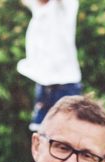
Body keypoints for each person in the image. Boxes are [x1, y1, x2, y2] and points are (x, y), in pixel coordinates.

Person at [18, 0, 83, 131]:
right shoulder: (39, 6)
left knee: (66, 133)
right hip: (44, 84)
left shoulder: (66, 5)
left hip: (66, 84)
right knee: (41, 133)